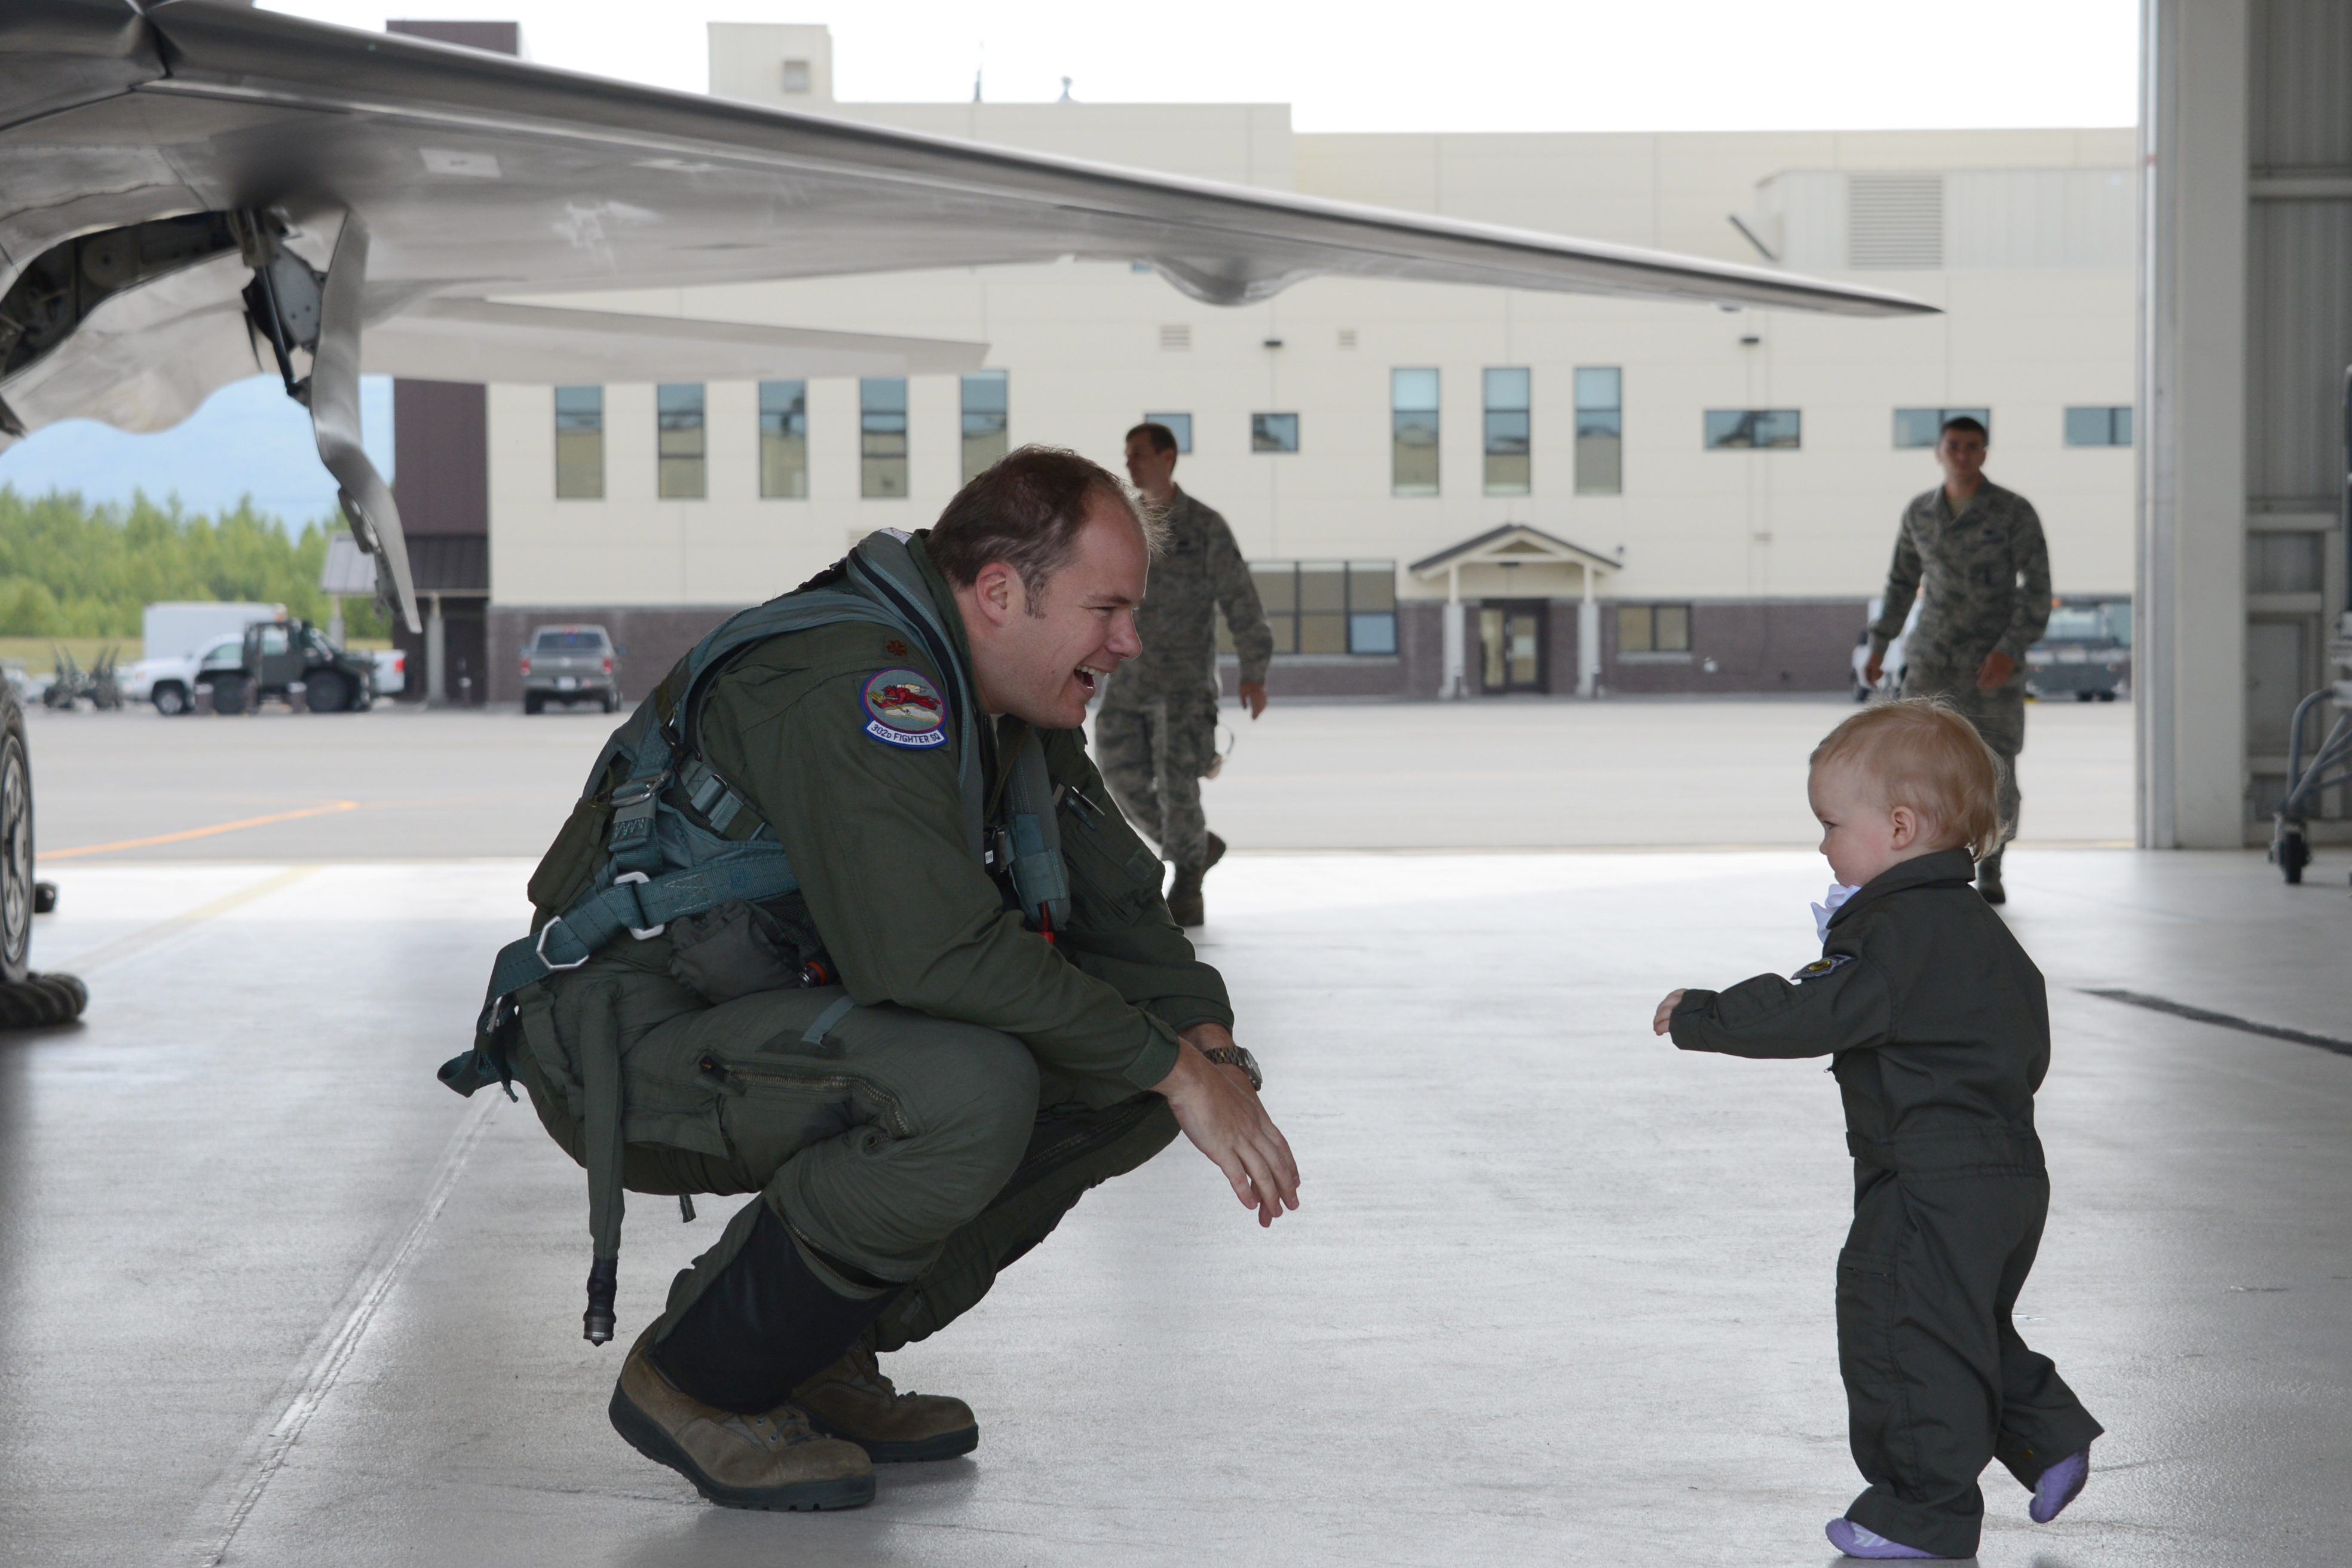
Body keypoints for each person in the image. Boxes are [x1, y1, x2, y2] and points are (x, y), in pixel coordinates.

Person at [455, 446, 1300, 1513]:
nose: (1128, 642)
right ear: (1001, 592)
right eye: (1108, 609)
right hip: (622, 1033)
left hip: (756, 1014)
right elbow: (927, 950)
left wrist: (1208, 1055)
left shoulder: (1010, 701)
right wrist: (1176, 1067)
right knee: (968, 1084)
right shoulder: (866, 683)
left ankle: (815, 1348)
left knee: (1136, 1072)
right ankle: (702, 1374)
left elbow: (1125, 915)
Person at [1652, 700, 2102, 1561]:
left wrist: (1706, 1014)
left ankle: (1920, 1516)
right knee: (1955, 1321)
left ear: (1899, 827)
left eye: (1830, 824)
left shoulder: (1894, 932)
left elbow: (1812, 1010)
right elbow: (2025, 1042)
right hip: (2008, 1172)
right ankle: (2048, 1434)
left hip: (1926, 1175)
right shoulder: (1981, 933)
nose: (1822, 846)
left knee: (1899, 1328)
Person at [1862, 416, 2050, 905]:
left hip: (1992, 664)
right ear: (1939, 452)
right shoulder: (1920, 513)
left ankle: (1991, 865)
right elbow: (1901, 583)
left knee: (1995, 767)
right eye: (1954, 446)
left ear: (1984, 453)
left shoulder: (2013, 512)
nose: (1962, 455)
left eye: (1972, 447)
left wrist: (2011, 649)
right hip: (1932, 660)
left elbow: (2038, 589)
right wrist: (1881, 643)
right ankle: (1921, 861)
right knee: (1917, 765)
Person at [1096, 421, 1275, 927]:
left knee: (1179, 786)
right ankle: (1196, 848)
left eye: (1138, 454)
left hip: (1185, 684)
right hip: (1128, 676)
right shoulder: (1122, 524)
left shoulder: (1203, 526)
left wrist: (1253, 671)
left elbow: (1241, 599)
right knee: (1116, 768)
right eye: (1126, 454)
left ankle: (1188, 880)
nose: (1130, 463)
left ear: (1168, 457)